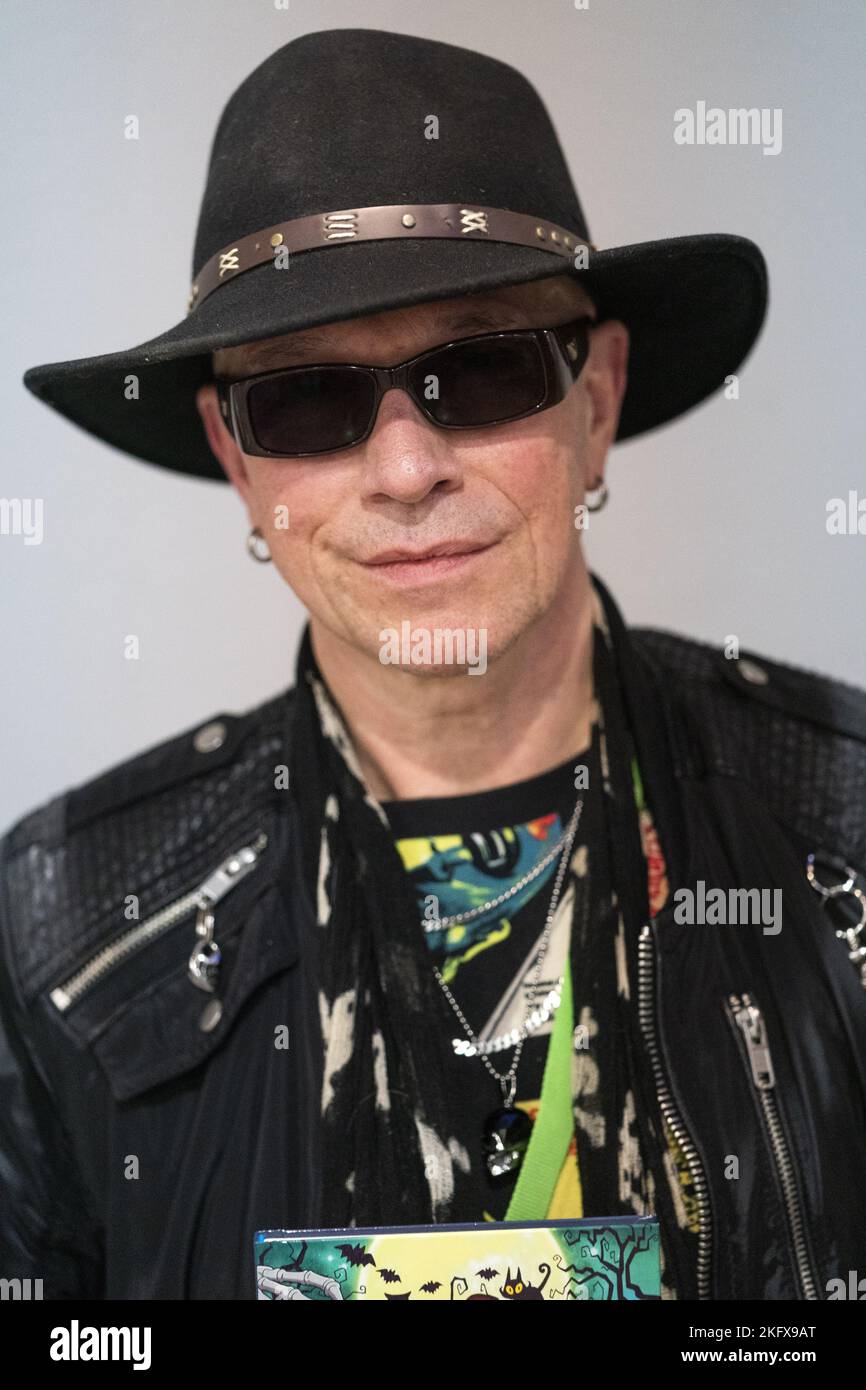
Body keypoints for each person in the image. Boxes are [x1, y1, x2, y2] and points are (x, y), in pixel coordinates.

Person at [2, 28, 864, 1302]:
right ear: (238, 461)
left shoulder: (838, 823)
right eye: (302, 401)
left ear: (598, 401)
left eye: (482, 368)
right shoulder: (66, 922)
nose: (407, 471)